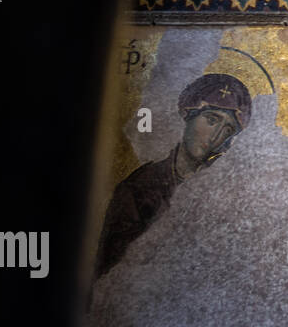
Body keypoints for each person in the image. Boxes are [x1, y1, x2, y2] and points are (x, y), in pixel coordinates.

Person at [94, 73, 252, 278]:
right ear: (190, 114)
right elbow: (110, 268)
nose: (215, 136)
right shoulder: (140, 187)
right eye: (212, 120)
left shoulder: (223, 194)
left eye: (228, 129)